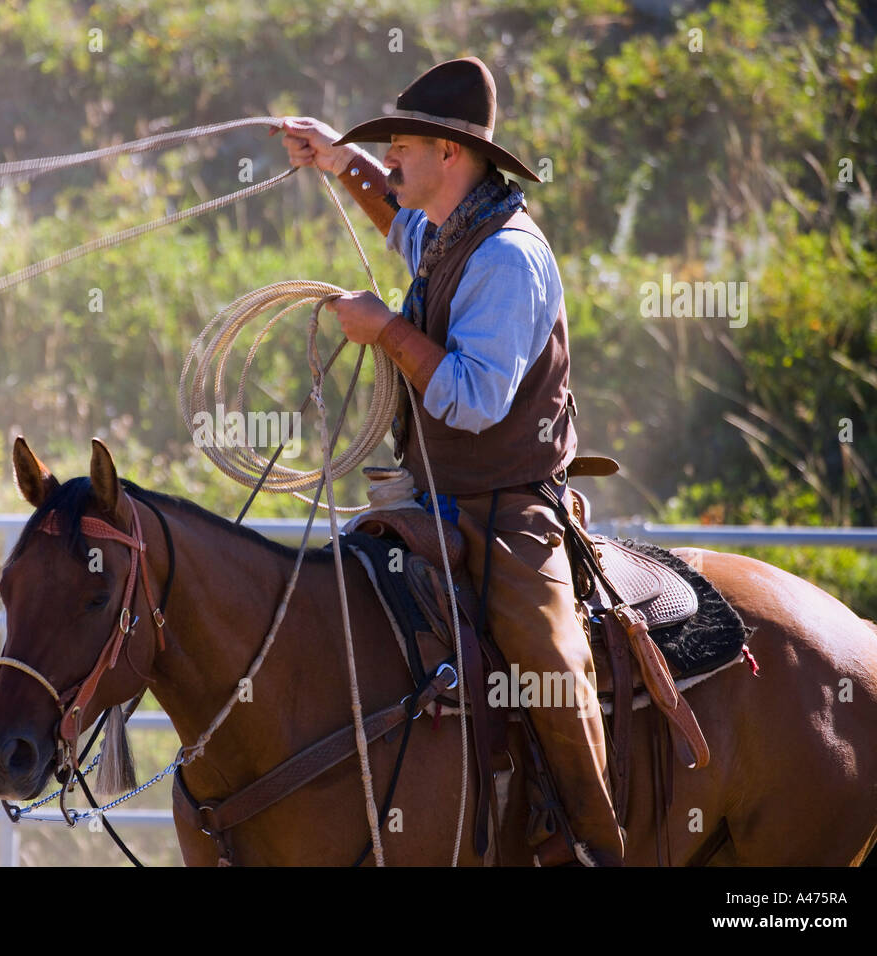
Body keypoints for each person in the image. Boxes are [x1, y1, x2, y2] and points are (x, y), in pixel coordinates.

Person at [275, 57, 624, 866]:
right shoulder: (450, 226)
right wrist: (339, 158)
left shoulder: (506, 257)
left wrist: (385, 331)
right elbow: (400, 227)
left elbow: (472, 400)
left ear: (450, 156)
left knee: (547, 661)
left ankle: (594, 846)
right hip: (439, 497)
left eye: (400, 144)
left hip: (508, 509)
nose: (390, 157)